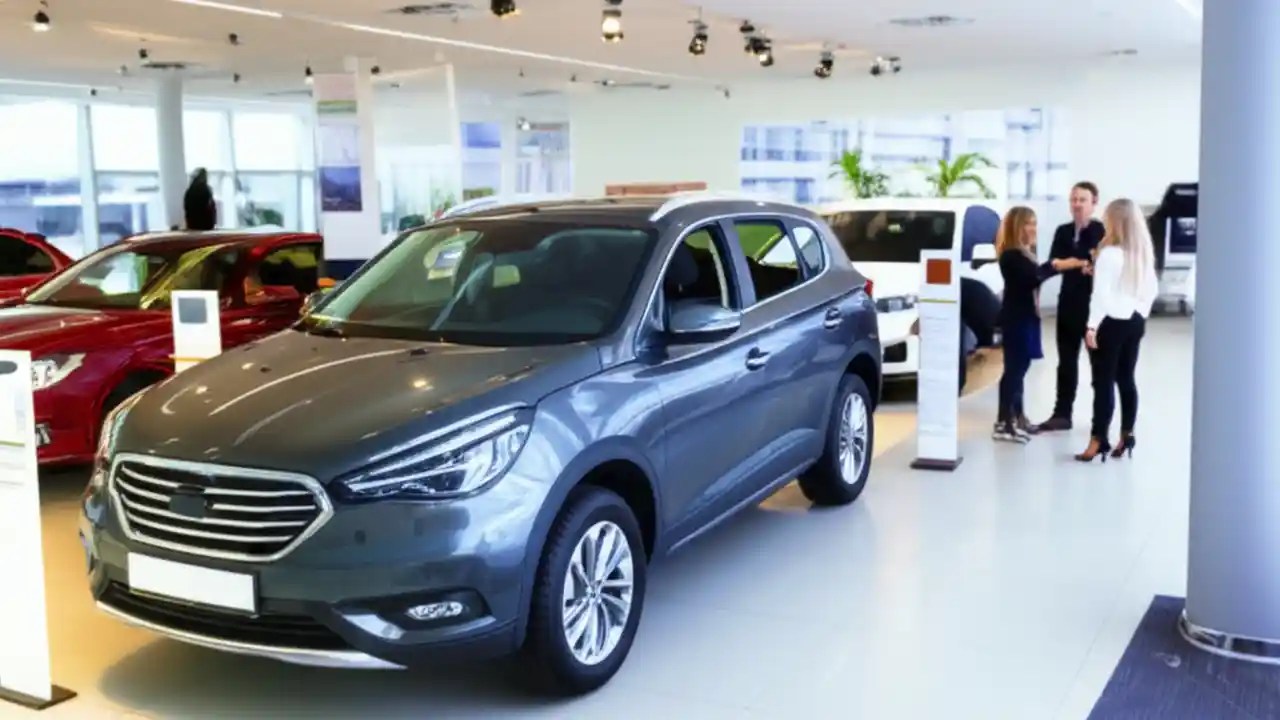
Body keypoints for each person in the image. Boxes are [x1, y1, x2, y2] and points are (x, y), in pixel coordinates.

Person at [993, 206, 1087, 443]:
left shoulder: (1026, 253)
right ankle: (1004, 422)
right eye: (1028, 223)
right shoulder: (1011, 255)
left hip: (1027, 317)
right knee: (1014, 370)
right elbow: (1033, 278)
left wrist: (1059, 266)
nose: (1033, 228)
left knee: (1021, 368)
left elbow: (1037, 274)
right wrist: (1060, 264)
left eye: (1034, 223)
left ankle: (1018, 417)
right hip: (1016, 318)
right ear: (1017, 227)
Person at [1075, 198, 1159, 463]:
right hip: (1135, 322)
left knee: (1103, 383)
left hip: (1110, 323)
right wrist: (1140, 311)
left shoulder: (1109, 254)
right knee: (1126, 379)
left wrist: (1091, 327)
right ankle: (1127, 435)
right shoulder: (1142, 253)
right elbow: (1152, 290)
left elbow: (1100, 297)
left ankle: (1098, 439)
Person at [1036, 181, 1106, 432]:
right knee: (1066, 362)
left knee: (1098, 364)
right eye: (1073, 199)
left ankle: (1101, 420)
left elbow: (1100, 264)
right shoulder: (1063, 231)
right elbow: (1054, 263)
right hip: (1067, 304)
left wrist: (1072, 262)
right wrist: (1079, 263)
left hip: (1093, 309)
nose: (1076, 204)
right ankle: (1062, 413)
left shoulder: (1101, 232)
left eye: (1082, 200)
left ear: (1094, 202)